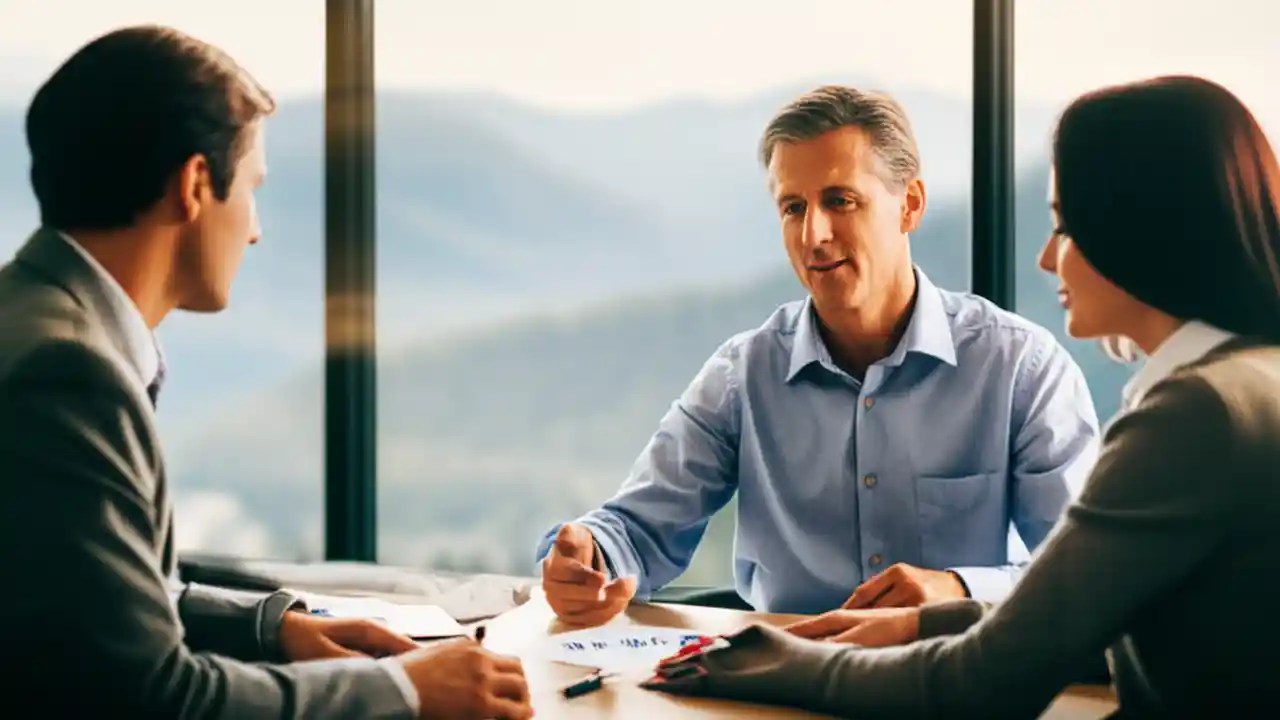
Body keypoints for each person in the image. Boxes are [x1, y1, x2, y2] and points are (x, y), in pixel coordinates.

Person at [647, 75, 1280, 717]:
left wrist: (768, 661)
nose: (1045, 259)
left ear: (1144, 232)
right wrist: (923, 623)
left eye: (1065, 228)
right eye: (792, 207)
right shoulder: (1249, 385)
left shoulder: (1193, 416)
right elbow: (1089, 616)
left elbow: (984, 679)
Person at [0, 25, 532, 720]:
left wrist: (271, 628)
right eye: (251, 188)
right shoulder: (69, 375)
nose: (253, 229)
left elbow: (94, 601)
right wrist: (408, 691)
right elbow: (155, 697)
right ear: (195, 185)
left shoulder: (30, 313)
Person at [535, 85, 1099, 623]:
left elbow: (1084, 572)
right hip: (786, 674)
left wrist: (959, 588)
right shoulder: (742, 376)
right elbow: (634, 530)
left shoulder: (1021, 369)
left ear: (910, 205)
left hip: (955, 672)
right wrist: (587, 559)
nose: (813, 235)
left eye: (839, 201)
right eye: (793, 208)